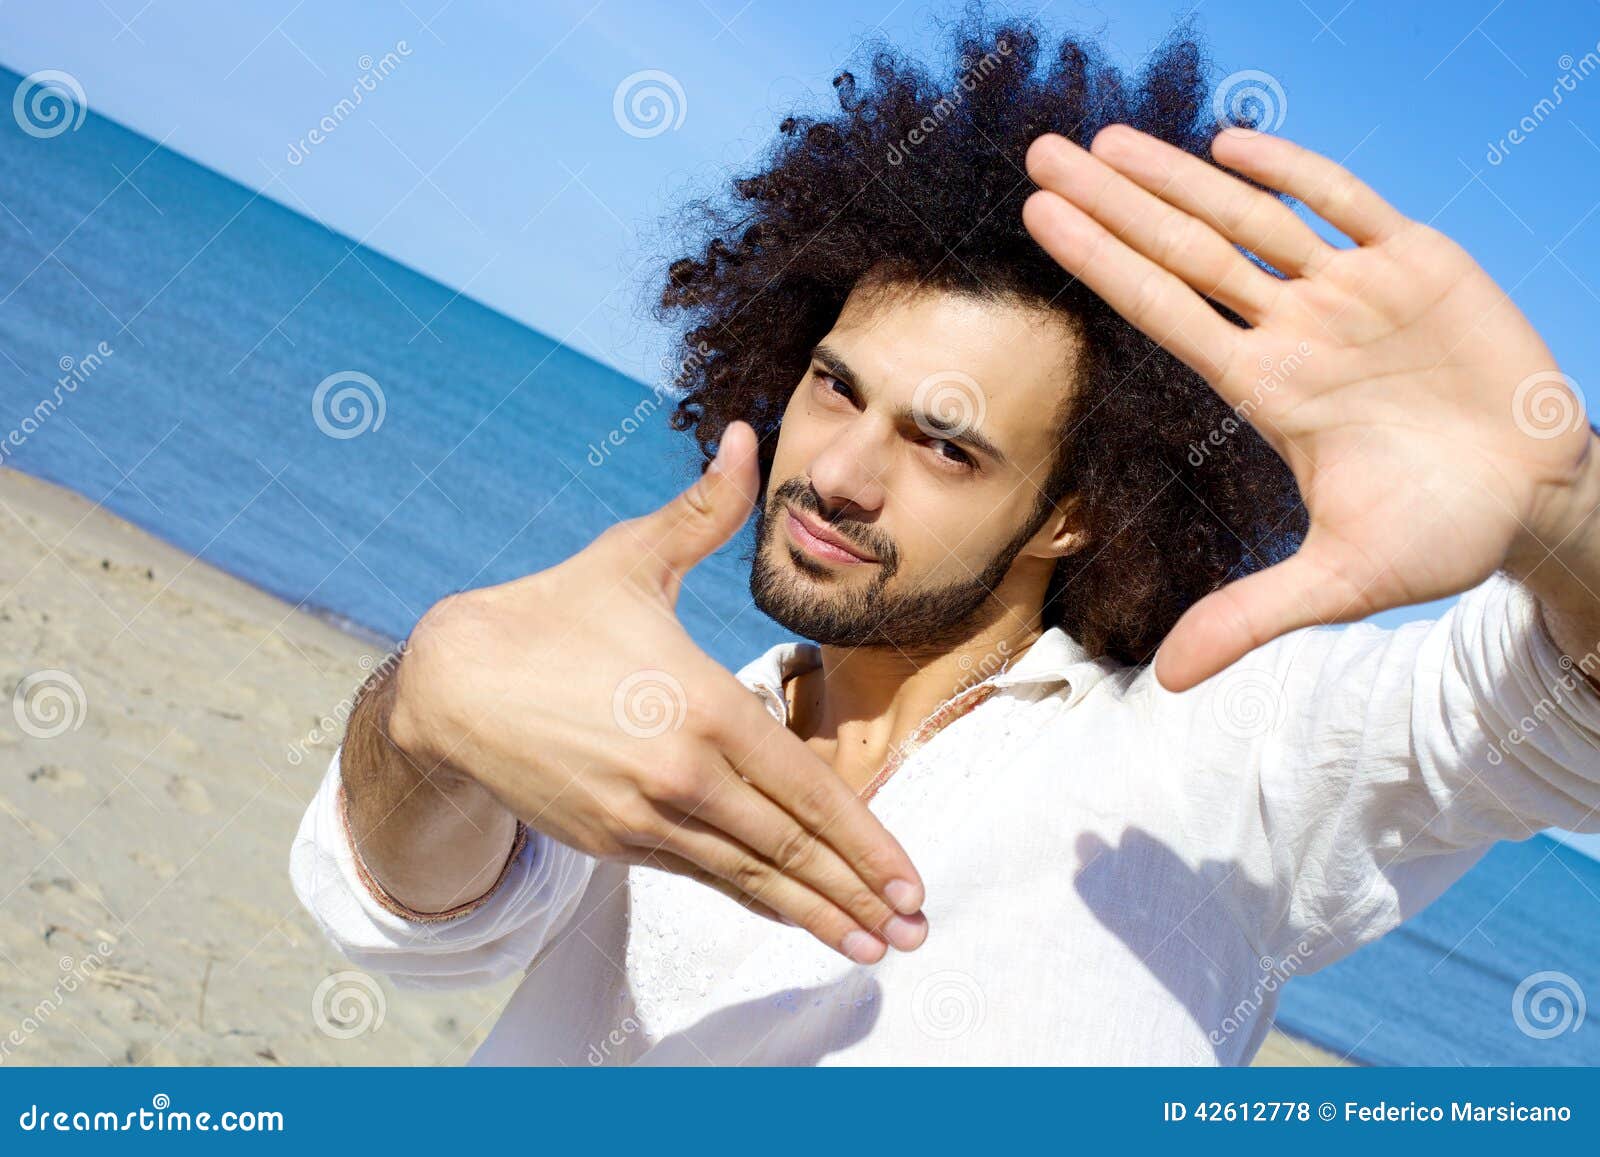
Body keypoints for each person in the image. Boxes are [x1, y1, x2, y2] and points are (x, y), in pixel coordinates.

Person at [290, 14, 1600, 1064]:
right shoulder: (664, 722)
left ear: (1078, 507)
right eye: (835, 387)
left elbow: (1535, 719)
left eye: (945, 442)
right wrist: (426, 704)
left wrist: (1561, 516)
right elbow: (406, 919)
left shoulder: (1207, 760)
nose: (841, 474)